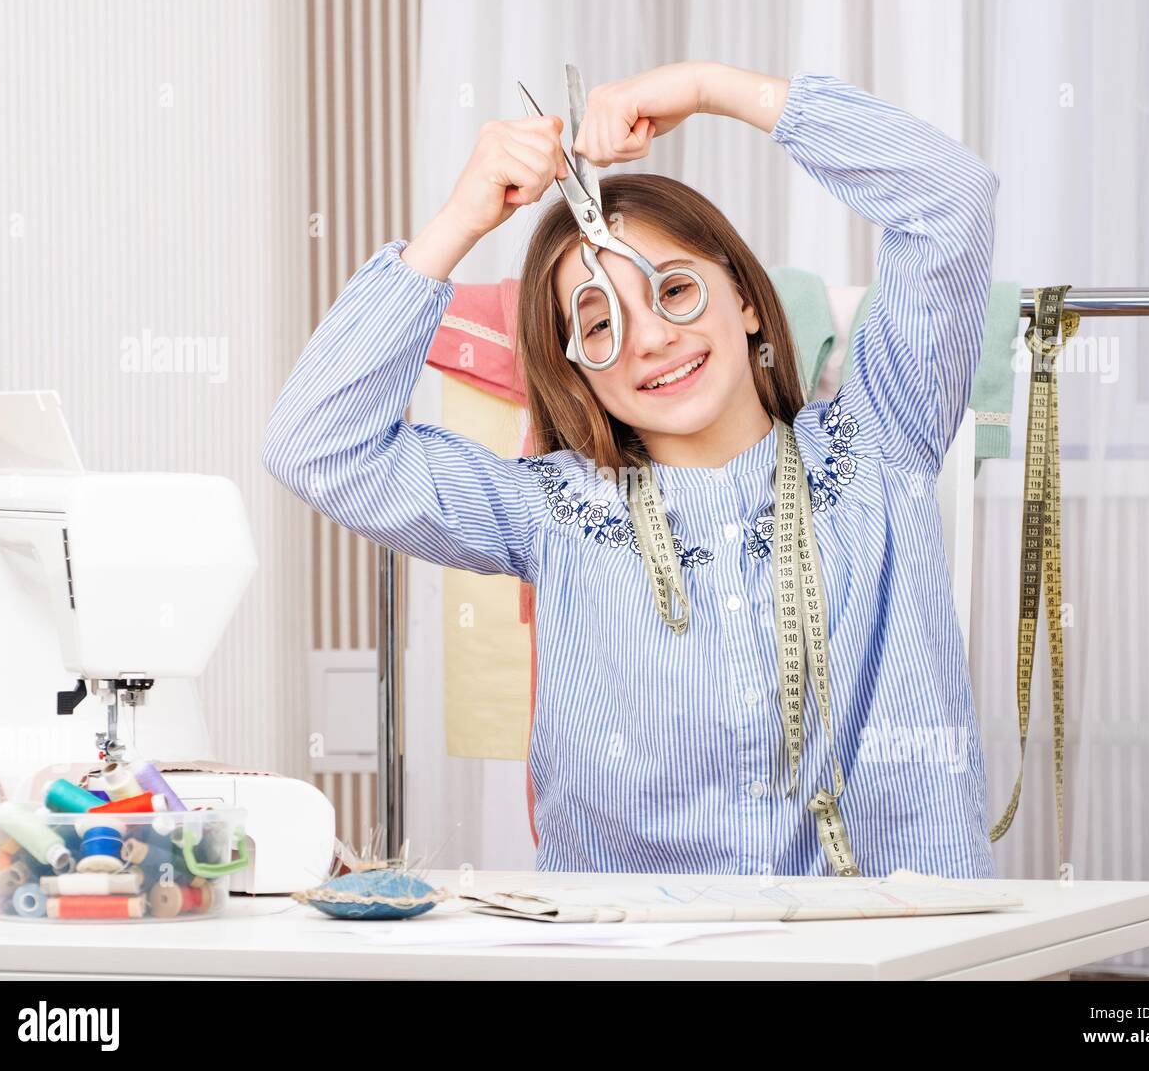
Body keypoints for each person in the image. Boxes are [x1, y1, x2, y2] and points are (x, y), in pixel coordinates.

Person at [262, 61, 1001, 878]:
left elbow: (950, 198)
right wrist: (460, 221)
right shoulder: (547, 508)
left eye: (675, 290)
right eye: (600, 320)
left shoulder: (881, 444)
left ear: (748, 301)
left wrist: (710, 89)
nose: (649, 338)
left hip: (894, 951)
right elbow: (315, 446)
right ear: (577, 368)